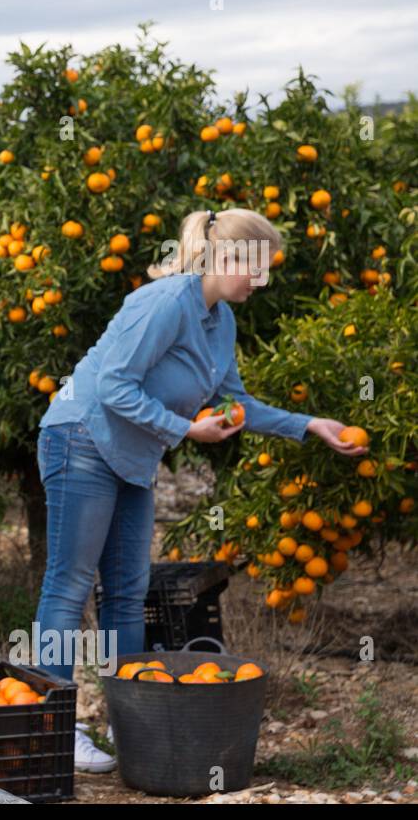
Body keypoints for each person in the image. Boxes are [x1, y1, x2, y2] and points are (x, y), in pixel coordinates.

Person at [35, 208, 368, 772]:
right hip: (82, 438)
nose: (261, 282)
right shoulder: (163, 302)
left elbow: (232, 403)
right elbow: (113, 383)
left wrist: (308, 425)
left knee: (125, 592)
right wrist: (186, 429)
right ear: (226, 258)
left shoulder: (221, 322)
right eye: (256, 269)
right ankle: (49, 725)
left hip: (133, 455)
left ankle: (129, 724)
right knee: (69, 585)